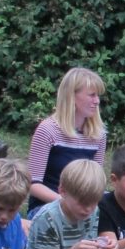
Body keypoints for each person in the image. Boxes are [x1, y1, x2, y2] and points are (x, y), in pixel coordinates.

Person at [27, 159, 113, 249]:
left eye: (94, 203)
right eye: (83, 203)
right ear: (62, 191)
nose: (88, 209)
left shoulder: (93, 211)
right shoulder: (48, 218)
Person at [27, 67, 106, 213]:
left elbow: (96, 182)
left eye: (98, 96)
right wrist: (67, 204)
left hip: (85, 207)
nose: (97, 101)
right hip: (48, 206)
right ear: (72, 96)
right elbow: (32, 184)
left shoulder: (99, 134)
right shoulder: (47, 130)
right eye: (92, 95)